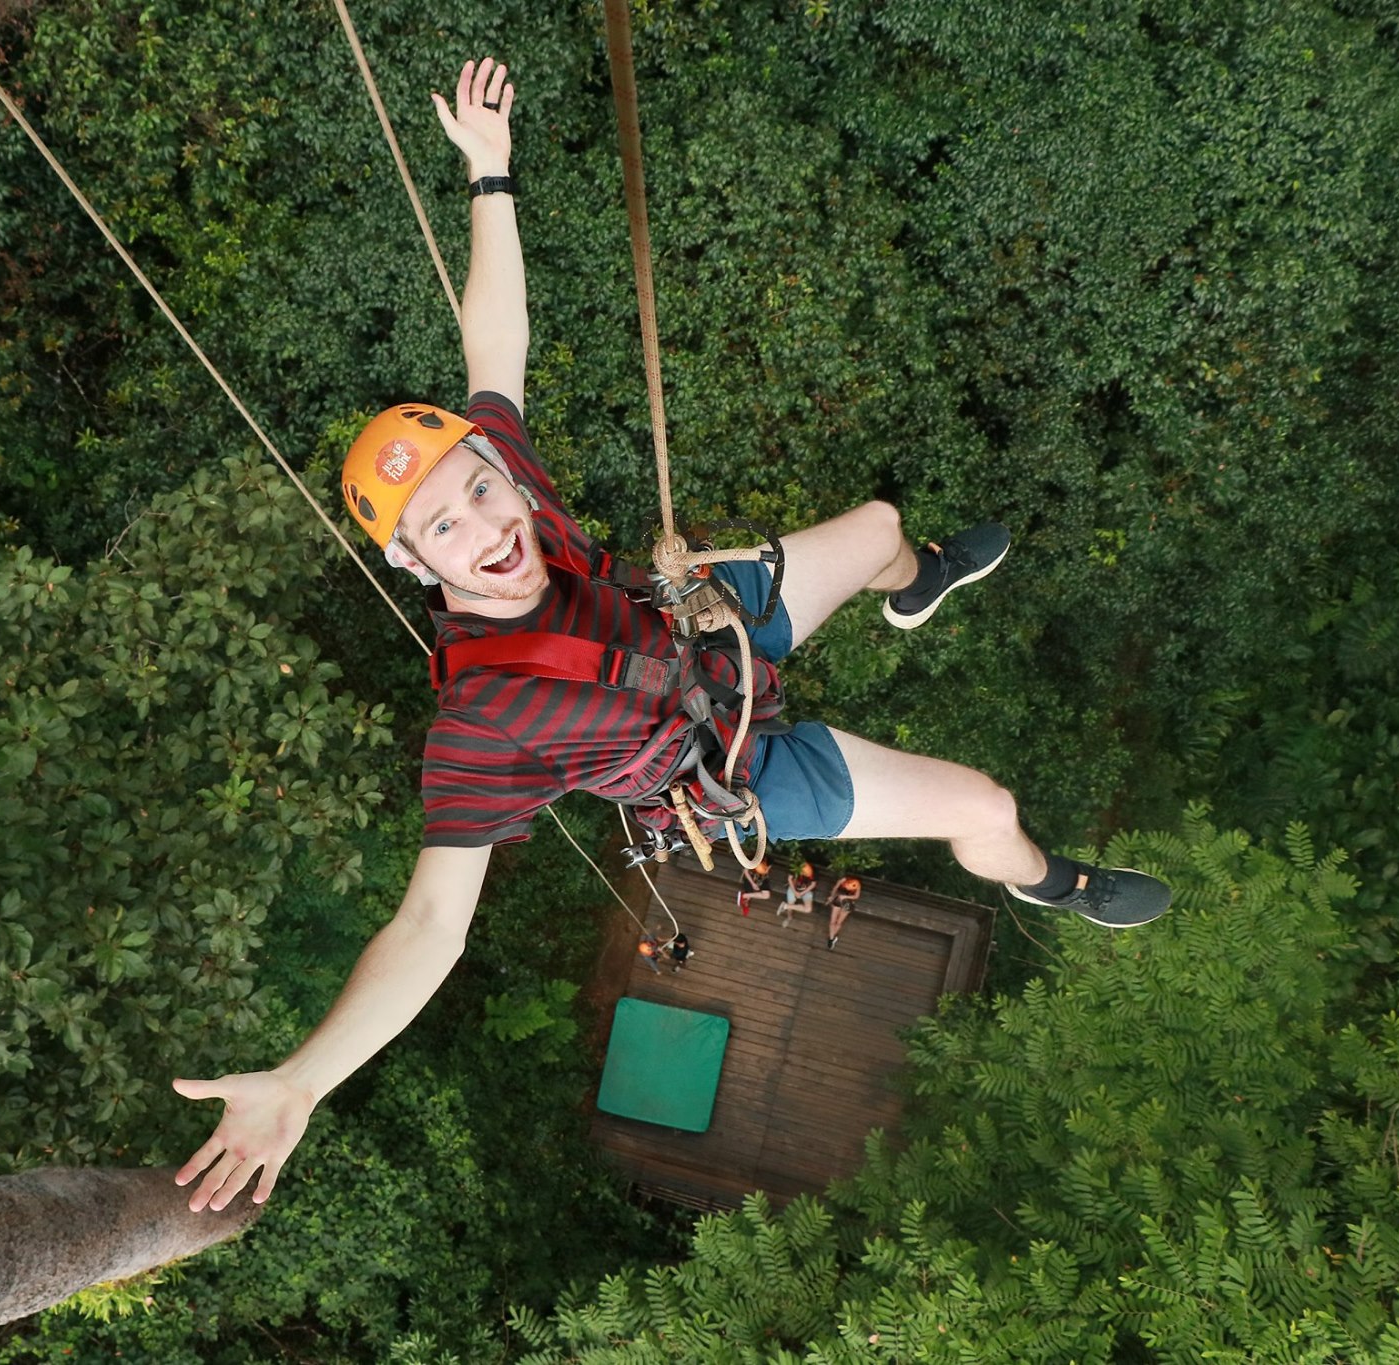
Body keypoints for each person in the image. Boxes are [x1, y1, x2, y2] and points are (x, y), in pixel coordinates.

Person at [172, 53, 1171, 1214]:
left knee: (884, 527)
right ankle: (1053, 883)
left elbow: (494, 351)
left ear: (501, 474)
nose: (486, 532)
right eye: (442, 528)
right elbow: (430, 926)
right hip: (723, 768)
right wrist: (304, 1078)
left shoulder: (522, 502)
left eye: (480, 492)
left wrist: (489, 176)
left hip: (704, 626)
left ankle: (915, 584)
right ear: (411, 564)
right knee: (983, 810)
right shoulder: (482, 725)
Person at [825, 873, 862, 950]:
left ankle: (831, 939)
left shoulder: (857, 883)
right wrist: (832, 897)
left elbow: (856, 896)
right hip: (838, 900)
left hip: (848, 902)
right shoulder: (843, 880)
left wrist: (845, 896)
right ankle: (831, 939)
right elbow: (835, 888)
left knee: (838, 922)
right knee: (833, 921)